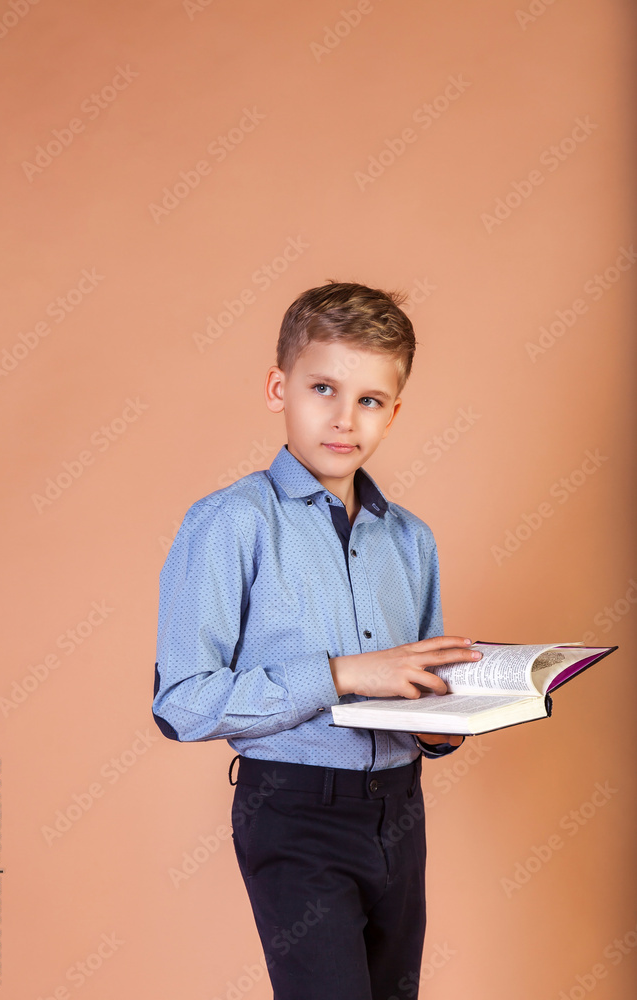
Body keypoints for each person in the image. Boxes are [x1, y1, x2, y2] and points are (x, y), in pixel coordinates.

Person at [153, 280, 483, 999]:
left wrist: (444, 726)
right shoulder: (230, 523)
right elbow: (181, 702)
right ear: (280, 388)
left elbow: (416, 684)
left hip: (400, 812)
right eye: (323, 388)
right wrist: (340, 673)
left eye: (369, 400)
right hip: (294, 811)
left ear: (394, 413)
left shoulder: (411, 540)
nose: (344, 419)